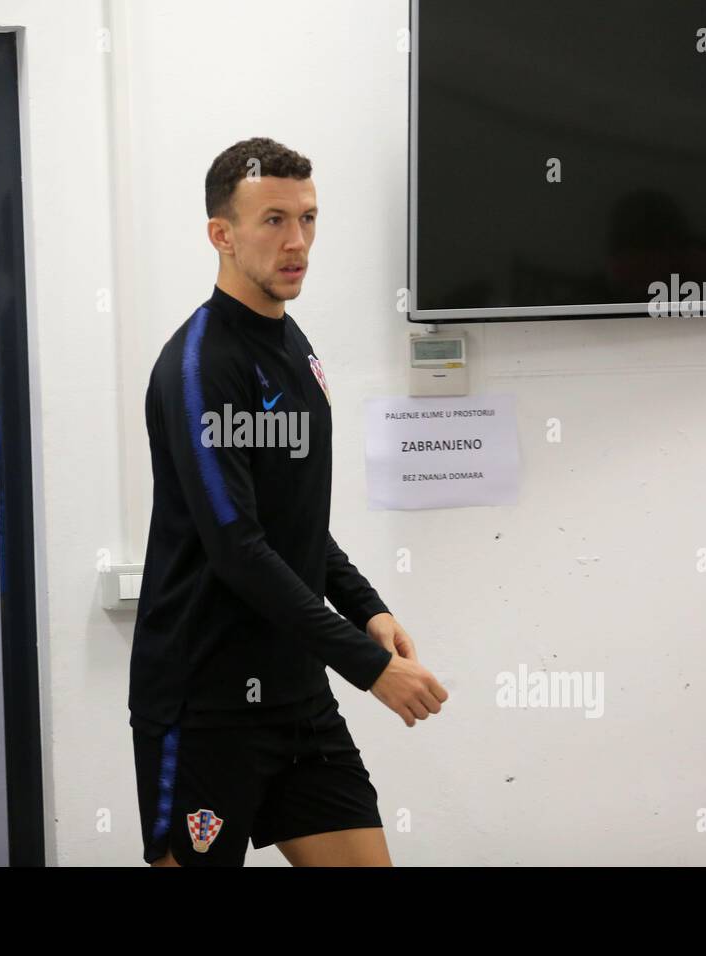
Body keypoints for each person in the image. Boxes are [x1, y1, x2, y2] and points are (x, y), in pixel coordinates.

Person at [129, 138, 449, 867]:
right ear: (222, 233)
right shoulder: (200, 367)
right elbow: (238, 547)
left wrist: (368, 609)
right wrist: (368, 669)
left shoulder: (293, 346)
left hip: (298, 698)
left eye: (307, 218)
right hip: (203, 706)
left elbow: (296, 522)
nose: (297, 241)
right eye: (273, 219)